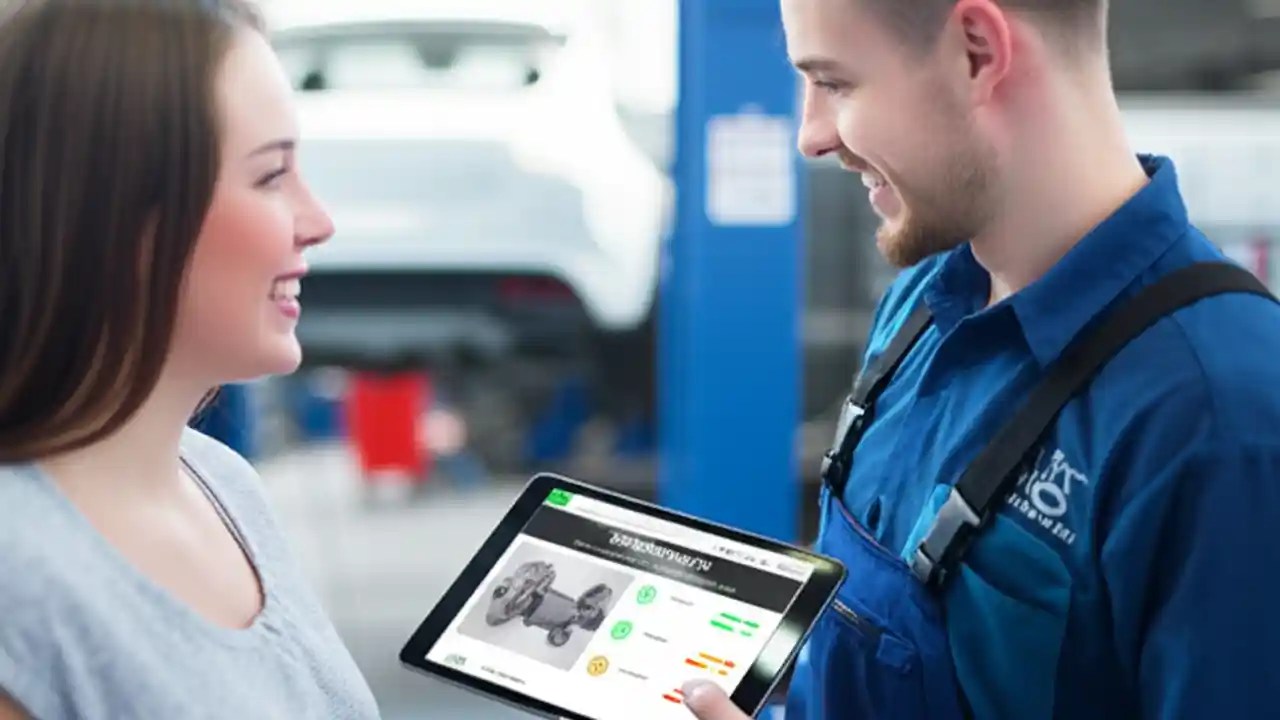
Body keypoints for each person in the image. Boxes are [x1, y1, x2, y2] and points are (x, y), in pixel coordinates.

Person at [682, 0, 1280, 719]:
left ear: (976, 51)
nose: (810, 136)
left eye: (836, 84)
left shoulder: (1222, 420)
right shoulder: (922, 308)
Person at [0, 1, 380, 717]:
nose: (319, 222)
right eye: (271, 177)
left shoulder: (223, 485)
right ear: (116, 214)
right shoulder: (18, 584)